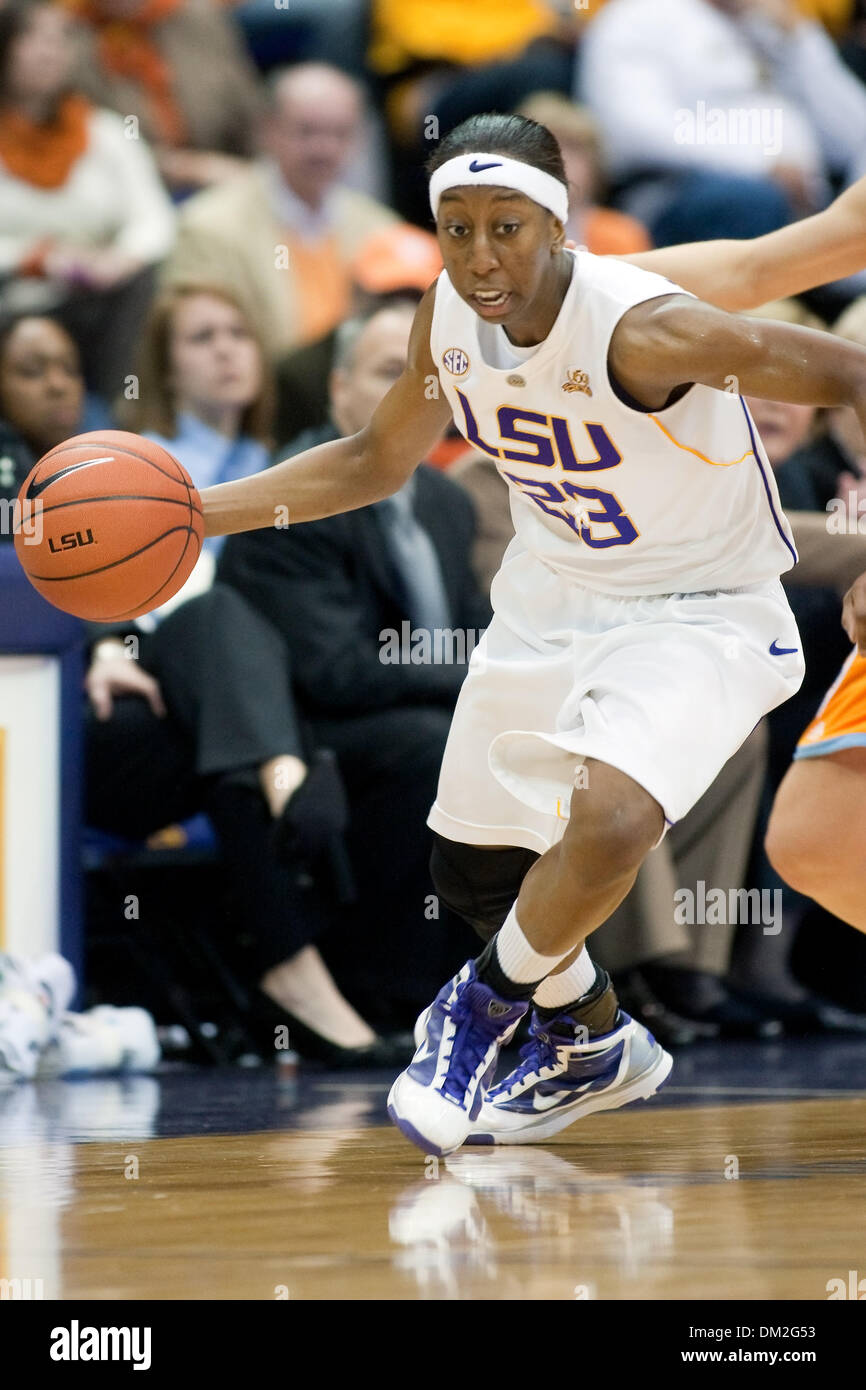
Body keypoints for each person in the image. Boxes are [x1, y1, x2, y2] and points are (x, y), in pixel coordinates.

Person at [197, 113, 866, 1156]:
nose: (476, 255)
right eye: (453, 229)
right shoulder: (449, 318)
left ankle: (474, 1014)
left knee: (609, 820)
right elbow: (373, 460)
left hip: (696, 608)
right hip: (551, 596)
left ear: (558, 227)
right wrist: (192, 512)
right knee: (469, 874)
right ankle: (592, 1044)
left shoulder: (646, 329)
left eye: (503, 226)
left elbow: (846, 371)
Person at [86, 281, 406, 1065]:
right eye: (201, 338)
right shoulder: (123, 461)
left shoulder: (291, 464)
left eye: (239, 331)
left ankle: (302, 981)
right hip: (146, 689)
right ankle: (288, 780)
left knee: (240, 752)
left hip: (241, 713)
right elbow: (68, 569)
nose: (228, 349)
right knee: (217, 613)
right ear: (164, 366)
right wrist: (102, 641)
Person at [218, 298, 491, 1020]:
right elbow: (332, 669)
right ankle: (396, 986)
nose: (413, 394)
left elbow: (476, 629)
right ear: (338, 388)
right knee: (434, 746)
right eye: (386, 374)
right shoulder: (293, 494)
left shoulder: (445, 500)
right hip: (302, 732)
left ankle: (535, 986)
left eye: (427, 377)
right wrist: (479, 679)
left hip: (412, 708)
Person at [0, 0, 175, 400]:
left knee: (144, 282)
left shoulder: (106, 131)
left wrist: (120, 259)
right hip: (14, 297)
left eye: (60, 38)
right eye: (33, 38)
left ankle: (120, 422)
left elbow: (153, 218)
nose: (49, 50)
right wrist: (35, 258)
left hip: (97, 296)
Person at [161, 63, 398, 358]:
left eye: (340, 133)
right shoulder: (207, 228)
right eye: (307, 131)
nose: (324, 148)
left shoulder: (382, 228)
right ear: (268, 130)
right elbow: (197, 352)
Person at [63, 0, 266, 195]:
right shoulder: (71, 38)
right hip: (133, 190)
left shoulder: (199, 17)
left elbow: (252, 116)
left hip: (231, 178)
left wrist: (259, 174)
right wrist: (186, 168)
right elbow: (93, 144)